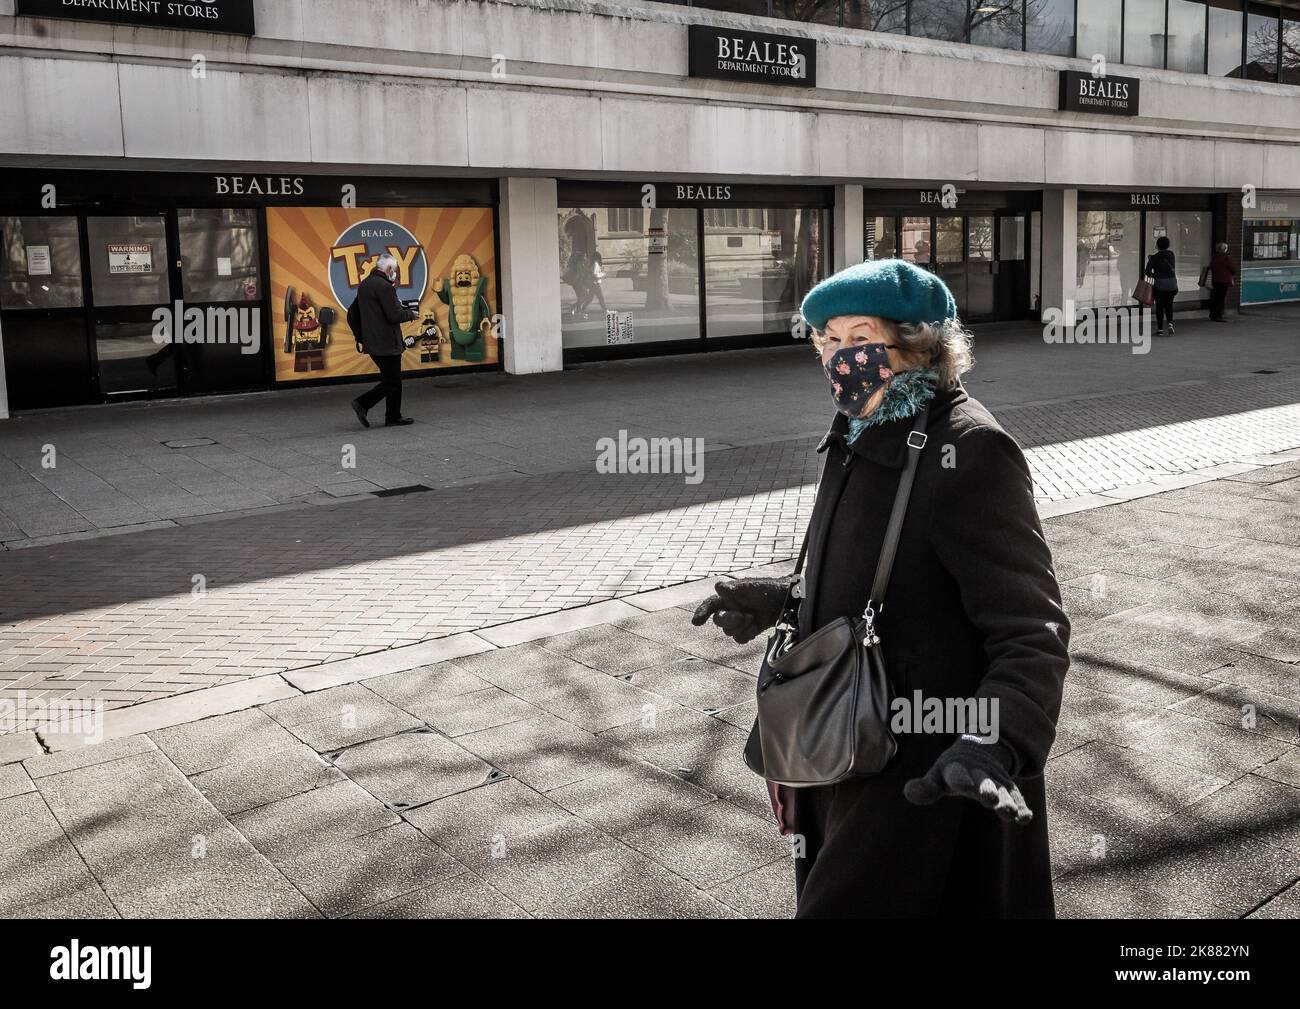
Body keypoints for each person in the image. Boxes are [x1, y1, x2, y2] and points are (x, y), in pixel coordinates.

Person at [691, 258, 1070, 918]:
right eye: (827, 341)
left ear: (920, 342)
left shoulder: (969, 449)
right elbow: (885, 578)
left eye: (859, 337)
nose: (840, 357)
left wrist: (995, 739)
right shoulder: (858, 434)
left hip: (930, 778)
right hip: (845, 755)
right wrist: (785, 598)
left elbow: (1033, 631)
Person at [350, 254, 419, 427]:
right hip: (388, 341)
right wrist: (411, 314)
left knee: (392, 379)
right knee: (392, 382)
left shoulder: (364, 285)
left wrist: (360, 337)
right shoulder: (385, 286)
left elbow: (353, 313)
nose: (394, 274)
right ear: (388, 270)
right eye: (394, 271)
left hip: (372, 342)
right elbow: (393, 315)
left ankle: (393, 416)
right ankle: (363, 403)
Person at [1144, 235, 1178, 337]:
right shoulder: (1171, 255)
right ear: (1168, 245)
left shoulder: (1154, 258)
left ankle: (1160, 329)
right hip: (1172, 284)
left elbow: (1147, 272)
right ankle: (1170, 324)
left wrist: (1154, 273)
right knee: (1169, 305)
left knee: (1160, 307)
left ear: (1157, 245)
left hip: (1160, 285)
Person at [1208, 242, 1236, 323]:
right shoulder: (1226, 258)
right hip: (1224, 280)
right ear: (1224, 249)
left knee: (1215, 297)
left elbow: (1212, 267)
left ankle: (1212, 315)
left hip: (1215, 280)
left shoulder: (1214, 257)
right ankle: (1218, 316)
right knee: (1221, 298)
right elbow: (1233, 269)